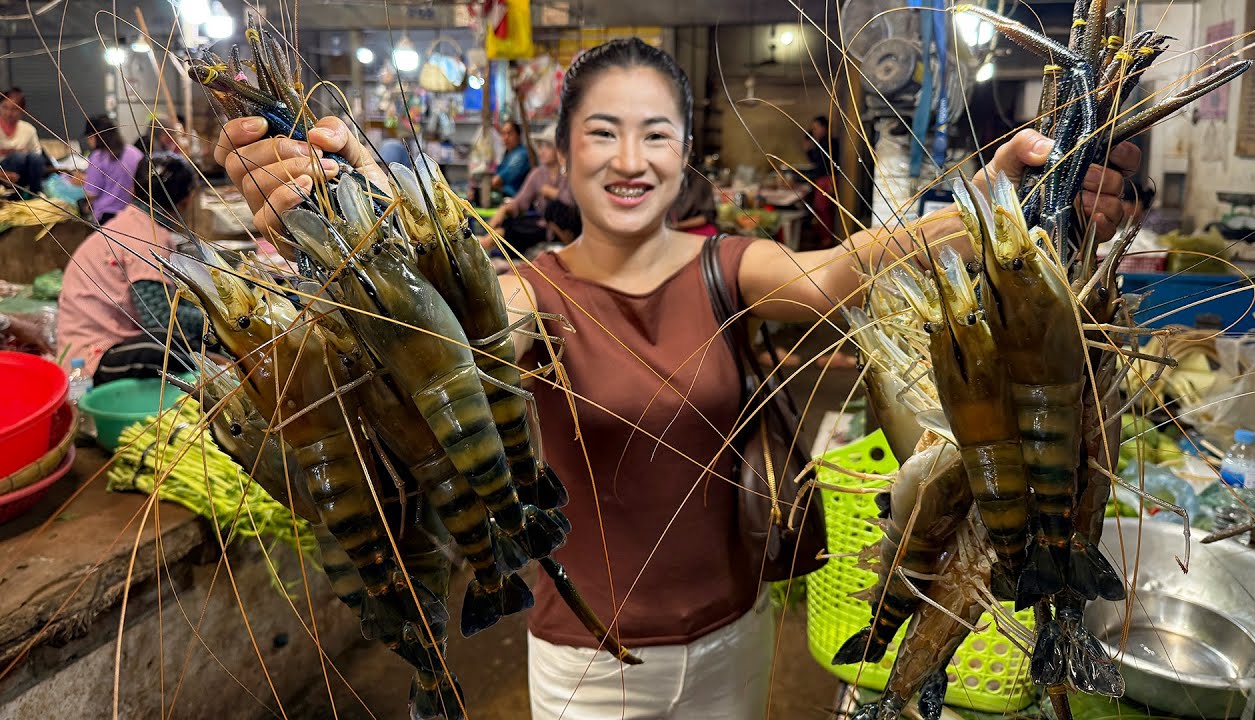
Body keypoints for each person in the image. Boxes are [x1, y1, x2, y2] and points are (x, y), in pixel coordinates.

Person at [213, 37, 1138, 720]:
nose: (629, 159)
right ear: (562, 152)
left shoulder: (728, 266)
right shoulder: (526, 292)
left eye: (654, 134)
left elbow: (838, 269)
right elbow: (450, 328)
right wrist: (344, 193)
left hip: (735, 642)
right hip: (587, 669)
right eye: (602, 133)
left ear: (684, 152)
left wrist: (984, 201)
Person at [57, 153, 203, 384]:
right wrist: (215, 322)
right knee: (169, 350)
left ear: (134, 190)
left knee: (188, 344)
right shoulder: (146, 237)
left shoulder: (134, 223)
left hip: (104, 339)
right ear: (187, 199)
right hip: (89, 356)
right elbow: (160, 318)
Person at [484, 123, 579, 253]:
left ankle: (570, 245)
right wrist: (504, 209)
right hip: (544, 227)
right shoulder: (537, 174)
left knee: (555, 208)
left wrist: (553, 193)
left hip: (570, 227)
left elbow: (575, 202)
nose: (542, 151)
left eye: (547, 146)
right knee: (510, 225)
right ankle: (488, 242)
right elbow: (521, 200)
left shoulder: (572, 173)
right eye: (540, 146)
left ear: (560, 150)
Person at [82, 115, 145, 224]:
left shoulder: (98, 157)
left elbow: (92, 193)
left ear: (94, 136)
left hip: (107, 217)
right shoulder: (135, 153)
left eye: (89, 137)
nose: (88, 142)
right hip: (134, 214)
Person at [800, 115, 841, 250]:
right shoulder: (819, 143)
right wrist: (808, 150)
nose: (814, 131)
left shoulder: (830, 143)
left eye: (816, 128)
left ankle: (827, 239)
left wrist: (832, 181)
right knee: (819, 209)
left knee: (823, 209)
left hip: (827, 179)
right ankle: (823, 237)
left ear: (824, 128)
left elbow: (833, 163)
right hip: (820, 179)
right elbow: (816, 162)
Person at [0, 88, 46, 195]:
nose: (9, 113)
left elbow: (37, 156)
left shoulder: (28, 130)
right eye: (5, 107)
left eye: (14, 109)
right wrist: (3, 174)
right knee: (18, 157)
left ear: (22, 110)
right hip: (2, 174)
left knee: (35, 158)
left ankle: (35, 194)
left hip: (22, 174)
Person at [667, 165, 719, 236]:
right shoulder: (666, 181)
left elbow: (707, 216)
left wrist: (678, 226)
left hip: (695, 231)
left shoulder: (699, 181)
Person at [491, 120, 531, 198]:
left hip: (515, 199)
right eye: (503, 134)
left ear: (518, 135)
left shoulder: (521, 154)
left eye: (509, 133)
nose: (506, 137)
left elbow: (497, 181)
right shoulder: (508, 154)